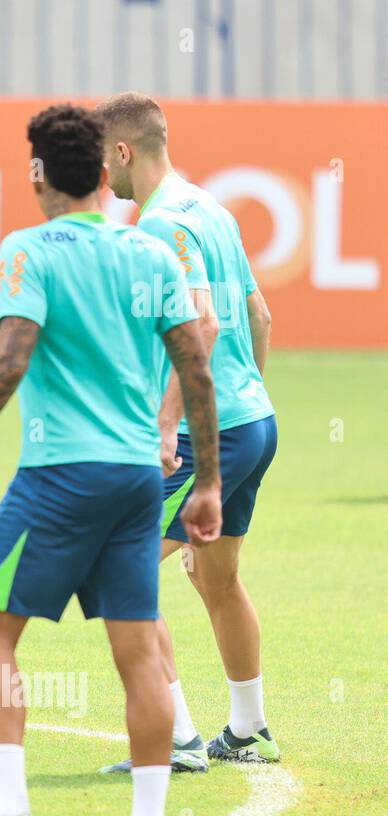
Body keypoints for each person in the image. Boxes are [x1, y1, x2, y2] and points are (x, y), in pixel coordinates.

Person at [0, 104, 221, 816]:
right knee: (139, 651)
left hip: (60, 477)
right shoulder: (151, 255)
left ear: (39, 173)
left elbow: (11, 359)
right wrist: (207, 478)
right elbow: (196, 366)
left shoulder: (31, 250)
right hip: (140, 479)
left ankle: (10, 810)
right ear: (104, 171)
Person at [95, 92, 280, 771]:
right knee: (215, 576)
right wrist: (246, 393)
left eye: (101, 158)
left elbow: (203, 325)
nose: (101, 178)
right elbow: (260, 314)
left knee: (123, 570)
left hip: (213, 431)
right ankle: (248, 729)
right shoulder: (211, 208)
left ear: (123, 151)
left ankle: (177, 743)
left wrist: (172, 421)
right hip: (253, 420)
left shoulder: (162, 226)